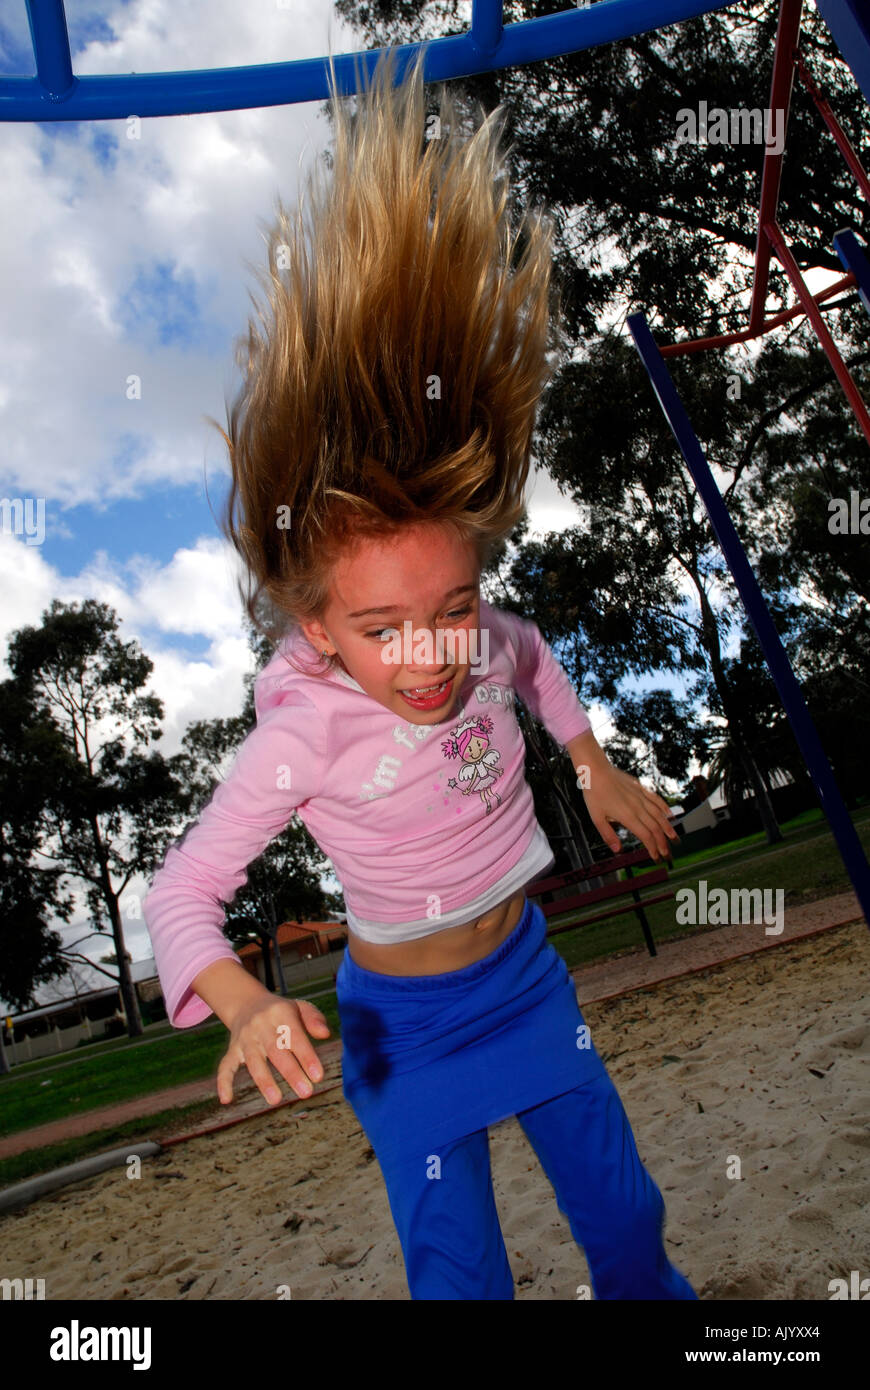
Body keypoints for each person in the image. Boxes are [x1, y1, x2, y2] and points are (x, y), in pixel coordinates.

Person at [143, 44, 696, 1301]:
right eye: (385, 628)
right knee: (461, 1278)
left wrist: (592, 762)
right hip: (404, 1033)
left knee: (628, 1220)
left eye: (453, 604)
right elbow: (182, 897)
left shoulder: (483, 640)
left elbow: (535, 659)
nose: (435, 653)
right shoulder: (301, 737)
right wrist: (240, 1002)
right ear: (316, 627)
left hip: (528, 979)